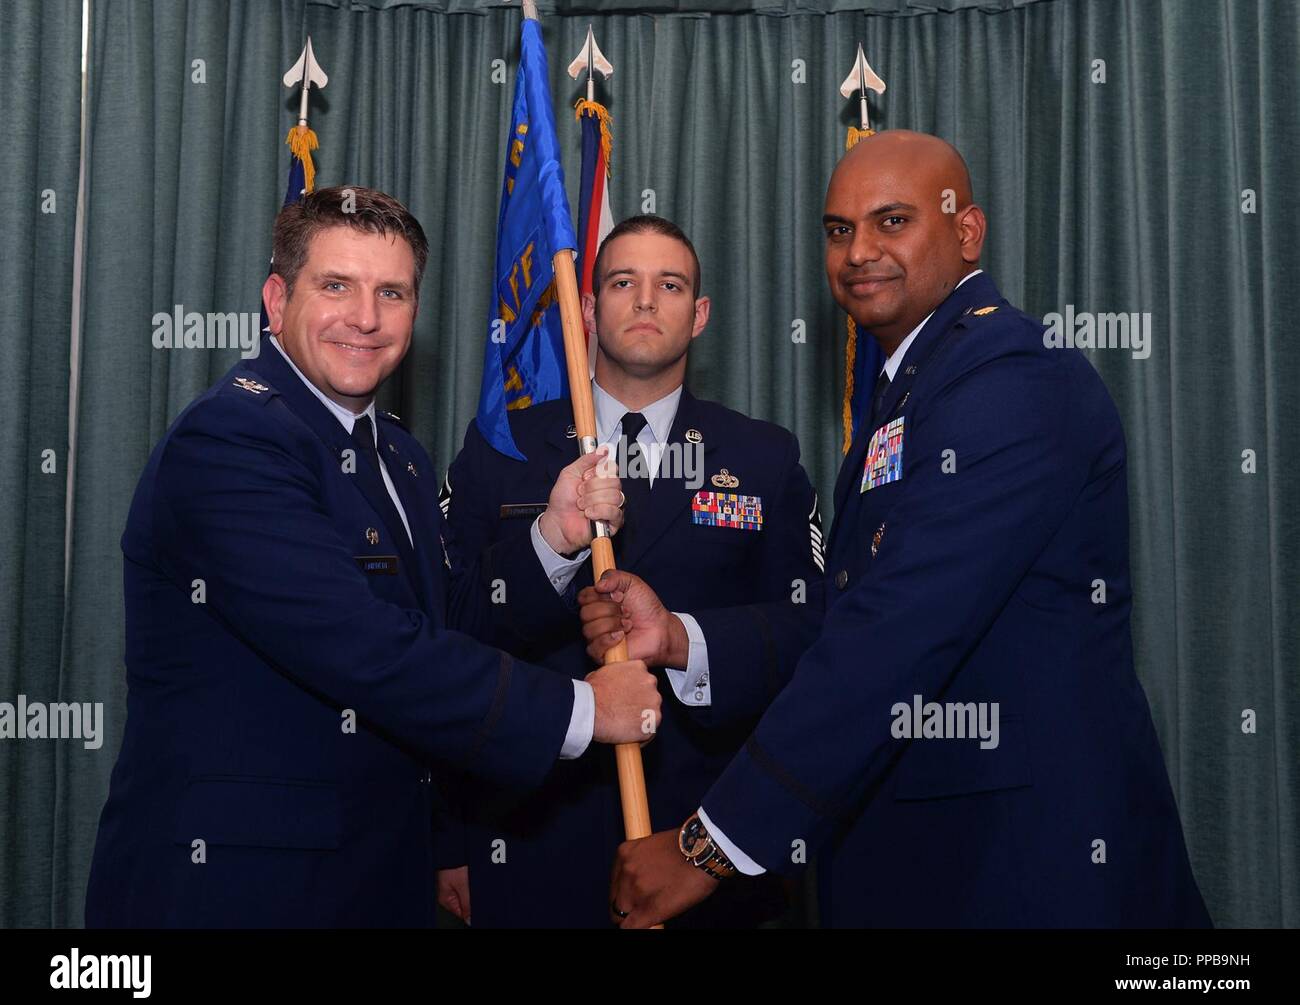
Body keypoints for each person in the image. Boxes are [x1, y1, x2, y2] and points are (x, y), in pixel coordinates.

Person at [584, 133, 1211, 929]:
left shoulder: (1013, 376)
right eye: (839, 229)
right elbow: (844, 620)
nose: (859, 252)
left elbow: (902, 628)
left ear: (967, 231)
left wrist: (714, 843)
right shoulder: (912, 383)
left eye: (892, 222)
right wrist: (678, 636)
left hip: (1027, 869)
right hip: (932, 860)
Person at [84, 186, 660, 928]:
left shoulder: (400, 456)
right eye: (336, 286)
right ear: (274, 299)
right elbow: (361, 647)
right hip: (236, 890)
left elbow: (447, 621)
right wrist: (581, 709)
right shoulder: (228, 442)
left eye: (392, 292)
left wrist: (553, 534)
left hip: (375, 875)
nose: (365, 317)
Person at [435, 215, 824, 927]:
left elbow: (810, 634)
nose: (646, 302)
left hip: (704, 847)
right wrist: (552, 551)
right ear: (587, 310)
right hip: (526, 839)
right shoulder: (504, 446)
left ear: (699, 314)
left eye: (669, 285)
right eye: (623, 283)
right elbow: (447, 629)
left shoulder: (764, 456)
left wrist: (680, 639)